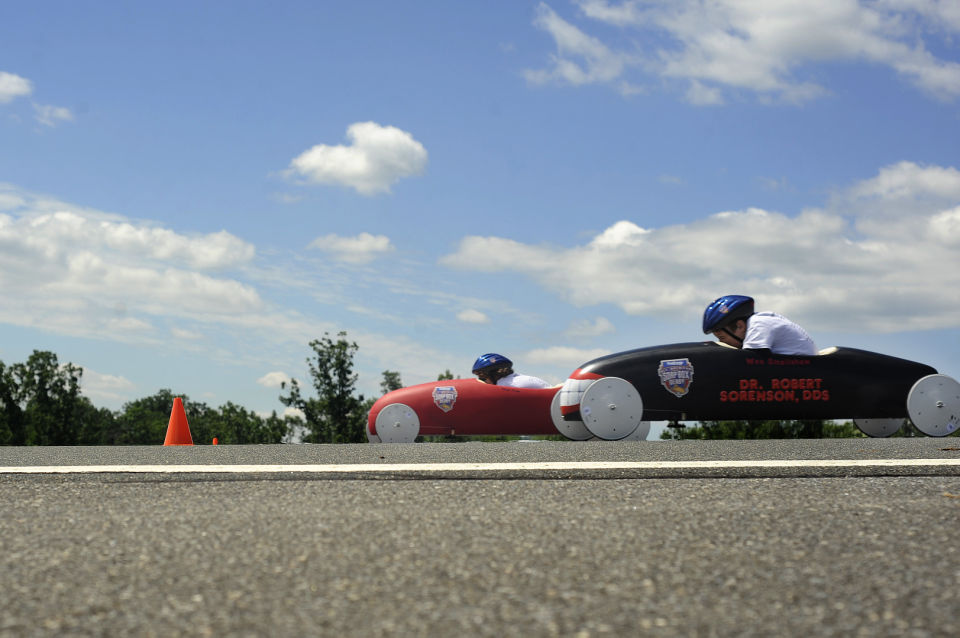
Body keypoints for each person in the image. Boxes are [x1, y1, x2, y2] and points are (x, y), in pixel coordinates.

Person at [702, 295, 817, 356]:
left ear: (740, 326)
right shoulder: (760, 320)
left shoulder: (758, 324)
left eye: (722, 338)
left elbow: (749, 361)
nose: (722, 343)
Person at [471, 353, 551, 388]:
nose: (484, 383)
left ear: (495, 374)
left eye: (483, 378)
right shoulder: (516, 378)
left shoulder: (505, 385)